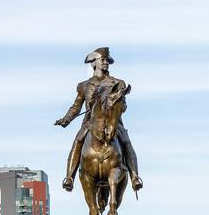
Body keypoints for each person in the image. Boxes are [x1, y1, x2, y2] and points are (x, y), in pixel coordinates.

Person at [55, 47, 143, 193]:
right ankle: (69, 177)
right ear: (93, 63)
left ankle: (135, 176)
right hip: (90, 123)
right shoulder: (84, 86)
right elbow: (76, 107)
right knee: (78, 141)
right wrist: (66, 119)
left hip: (113, 122)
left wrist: (119, 103)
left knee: (126, 142)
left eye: (107, 61)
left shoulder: (118, 83)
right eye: (102, 60)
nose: (106, 63)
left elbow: (124, 107)